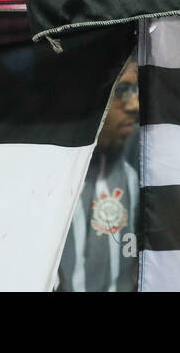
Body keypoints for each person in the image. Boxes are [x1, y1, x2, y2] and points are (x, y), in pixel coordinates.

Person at [54, 59, 140, 292]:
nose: (134, 105)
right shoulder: (50, 176)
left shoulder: (138, 165)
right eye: (122, 91)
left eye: (137, 92)